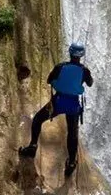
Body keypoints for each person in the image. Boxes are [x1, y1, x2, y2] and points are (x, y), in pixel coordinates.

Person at [19, 43, 93, 177]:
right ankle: (71, 164)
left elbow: (49, 80)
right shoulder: (84, 71)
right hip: (73, 105)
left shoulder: (60, 67)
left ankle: (33, 146)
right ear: (81, 56)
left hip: (58, 102)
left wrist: (58, 81)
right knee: (72, 133)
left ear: (70, 53)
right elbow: (90, 83)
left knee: (38, 119)